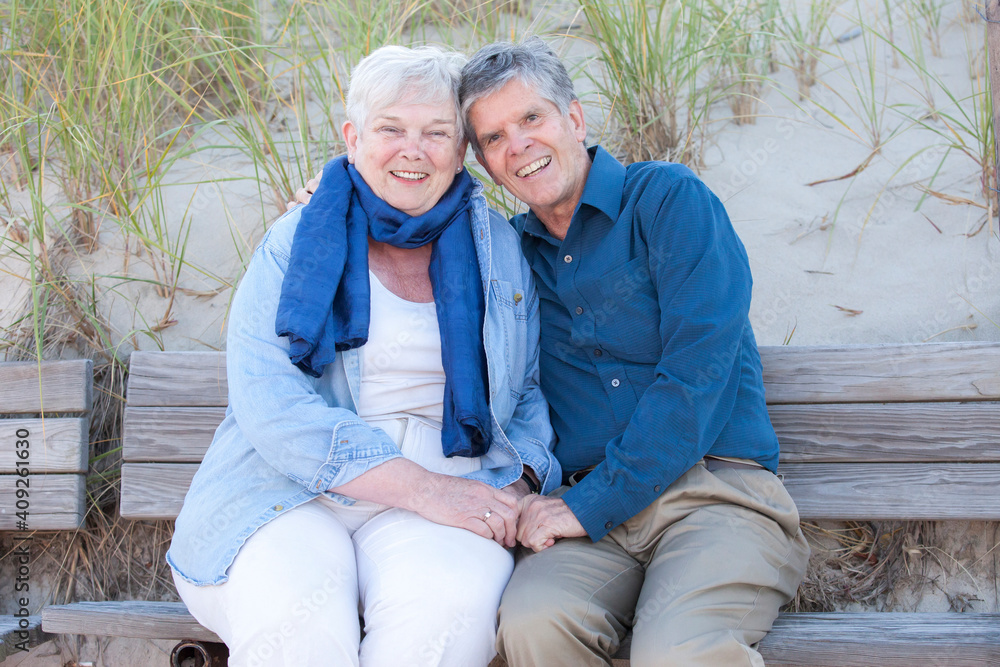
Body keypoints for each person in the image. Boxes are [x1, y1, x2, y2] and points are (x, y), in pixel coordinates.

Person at [167, 44, 558, 667]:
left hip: (452, 485)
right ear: (352, 138)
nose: (414, 149)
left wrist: (520, 481)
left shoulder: (498, 247)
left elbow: (527, 386)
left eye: (437, 132)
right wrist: (421, 489)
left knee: (449, 616)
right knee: (298, 623)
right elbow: (269, 403)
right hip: (290, 490)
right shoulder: (296, 240)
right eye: (391, 129)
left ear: (461, 151)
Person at [456, 39, 810, 666]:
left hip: (716, 494)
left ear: (575, 119)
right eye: (493, 137)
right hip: (595, 525)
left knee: (674, 653)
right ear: (484, 162)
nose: (518, 146)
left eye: (532, 118)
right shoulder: (507, 258)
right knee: (535, 624)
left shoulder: (669, 201)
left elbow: (695, 377)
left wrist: (585, 503)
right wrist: (335, 203)